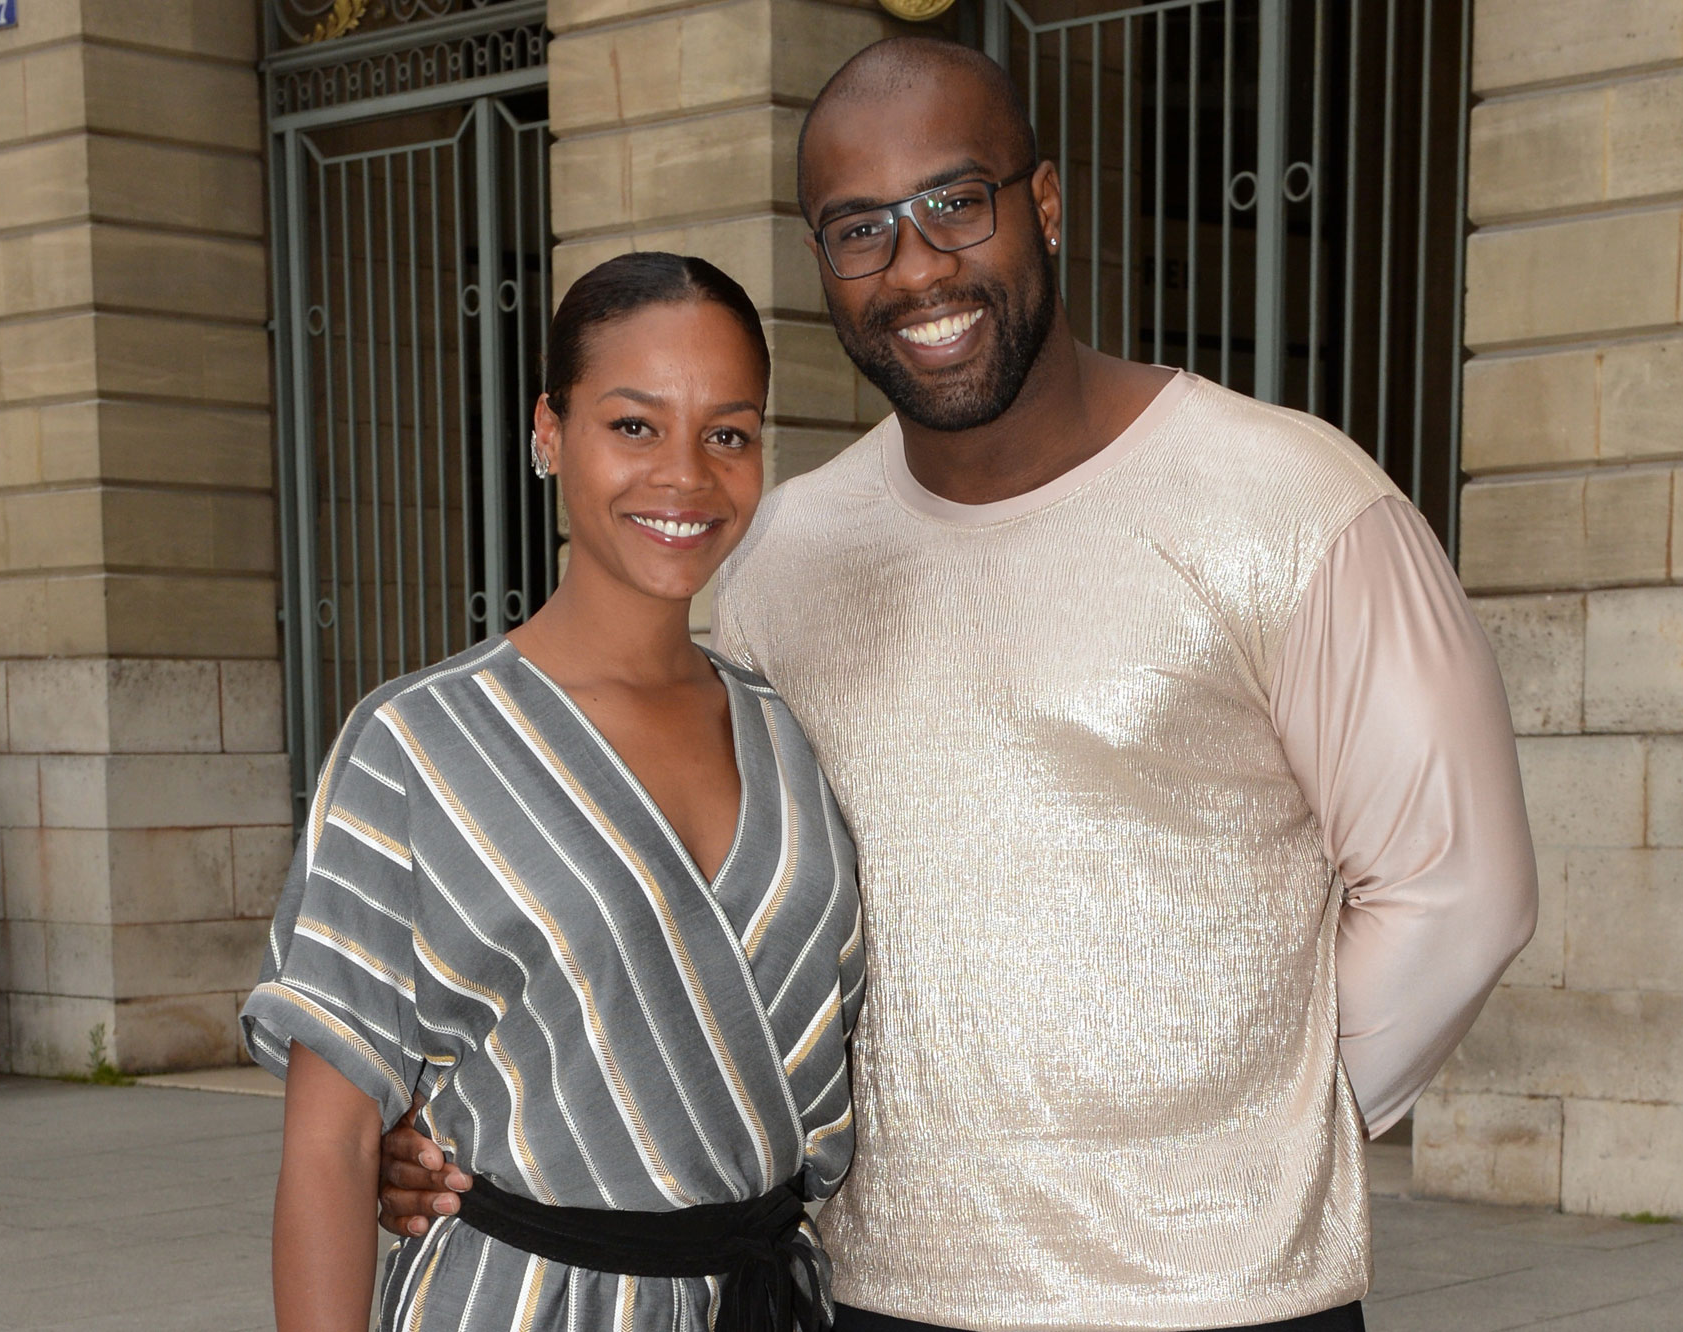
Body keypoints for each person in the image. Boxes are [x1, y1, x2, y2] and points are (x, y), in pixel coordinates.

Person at [377, 36, 1538, 1332]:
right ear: (823, 266)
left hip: (1209, 1302)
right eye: (860, 228)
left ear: (1044, 205)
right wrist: (472, 1113)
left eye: (954, 203)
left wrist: (1255, 1151)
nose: (916, 264)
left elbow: (1460, 890)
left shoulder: (1290, 502)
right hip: (869, 1293)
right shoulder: (782, 560)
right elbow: (688, 915)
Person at [246, 252, 862, 1332]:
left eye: (727, 433)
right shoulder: (414, 745)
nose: (684, 475)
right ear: (548, 430)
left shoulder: (787, 736)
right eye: (633, 425)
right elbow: (330, 1148)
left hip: (761, 1302)